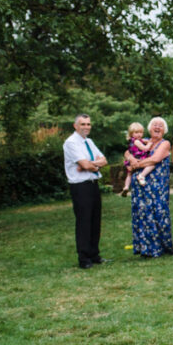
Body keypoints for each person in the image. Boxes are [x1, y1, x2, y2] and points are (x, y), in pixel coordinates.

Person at [63, 114, 108, 269]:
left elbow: (104, 160)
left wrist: (89, 164)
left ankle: (94, 254)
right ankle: (84, 258)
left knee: (95, 220)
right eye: (83, 124)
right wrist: (89, 165)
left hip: (93, 183)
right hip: (80, 186)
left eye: (88, 124)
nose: (86, 127)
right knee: (84, 221)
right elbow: (85, 165)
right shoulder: (71, 142)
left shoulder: (89, 141)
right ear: (75, 126)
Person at [129, 117, 173, 258]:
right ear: (149, 128)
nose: (158, 127)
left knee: (158, 214)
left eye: (161, 125)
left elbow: (155, 159)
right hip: (141, 185)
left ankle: (160, 248)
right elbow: (127, 151)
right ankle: (145, 249)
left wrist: (137, 164)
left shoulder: (165, 143)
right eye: (155, 125)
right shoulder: (143, 141)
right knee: (142, 215)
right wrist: (130, 159)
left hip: (157, 185)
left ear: (164, 130)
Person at [121, 122, 155, 194]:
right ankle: (141, 176)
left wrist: (146, 141)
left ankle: (126, 186)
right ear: (131, 133)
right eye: (136, 132)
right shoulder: (136, 141)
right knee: (152, 165)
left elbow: (142, 141)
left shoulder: (133, 140)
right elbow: (144, 148)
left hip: (132, 160)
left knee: (129, 174)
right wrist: (149, 144)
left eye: (141, 132)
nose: (139, 134)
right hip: (139, 158)